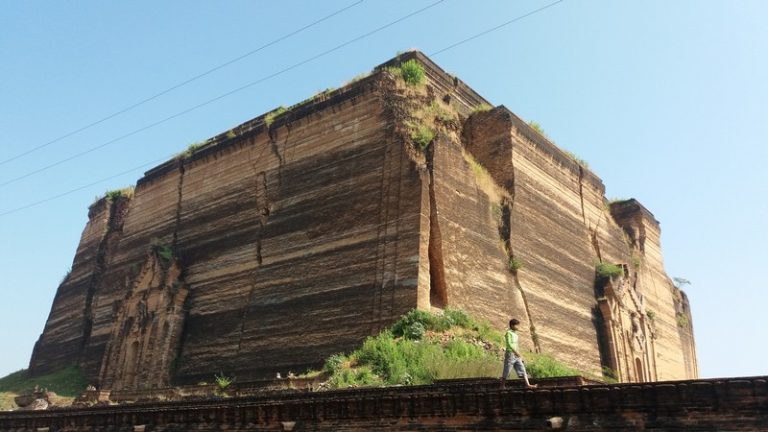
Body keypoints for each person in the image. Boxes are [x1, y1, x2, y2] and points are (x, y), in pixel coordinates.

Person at [500, 318, 537, 389]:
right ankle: (502, 386)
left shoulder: (515, 334)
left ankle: (528, 385)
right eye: (517, 326)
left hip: (516, 354)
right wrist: (516, 352)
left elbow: (516, 344)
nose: (518, 327)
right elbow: (509, 344)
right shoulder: (508, 333)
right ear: (512, 326)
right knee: (507, 370)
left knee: (522, 368)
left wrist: (518, 353)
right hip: (510, 354)